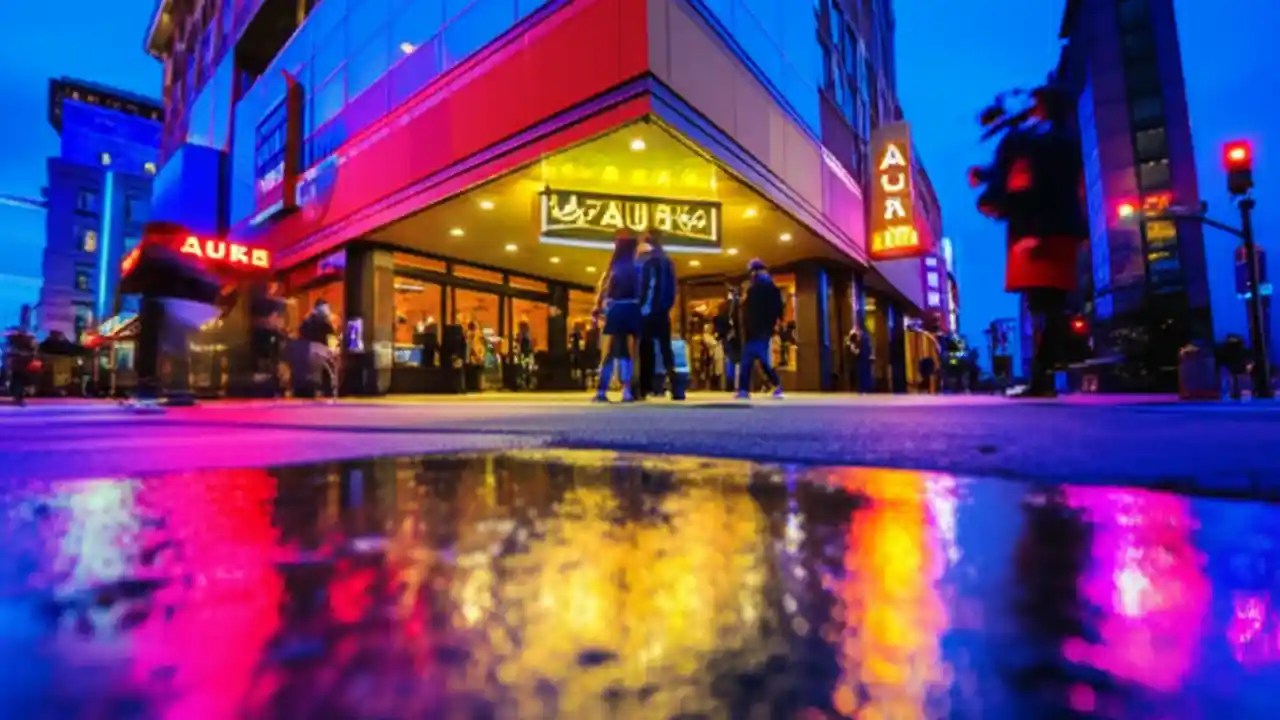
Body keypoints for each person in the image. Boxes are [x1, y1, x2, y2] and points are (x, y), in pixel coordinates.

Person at [976, 85, 1087, 398]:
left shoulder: (1037, 141)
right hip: (1060, 228)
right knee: (1051, 303)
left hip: (1040, 230)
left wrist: (1030, 229)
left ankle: (1043, 378)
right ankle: (1045, 375)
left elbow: (1026, 184)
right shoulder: (1062, 140)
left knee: (1043, 305)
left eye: (1035, 102)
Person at [592, 231, 643, 402]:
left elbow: (604, 289)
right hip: (633, 308)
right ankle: (627, 389)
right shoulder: (637, 267)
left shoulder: (614, 267)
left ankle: (602, 389)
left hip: (616, 308)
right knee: (628, 351)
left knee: (610, 351)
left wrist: (598, 308)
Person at [638, 230, 678, 400]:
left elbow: (645, 287)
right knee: (665, 348)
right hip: (662, 311)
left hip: (648, 310)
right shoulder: (668, 262)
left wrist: (642, 307)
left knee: (646, 348)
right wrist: (666, 306)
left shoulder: (646, 261)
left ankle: (645, 387)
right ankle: (676, 386)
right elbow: (672, 289)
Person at [737, 259, 785, 400]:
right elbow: (778, 308)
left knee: (749, 358)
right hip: (764, 329)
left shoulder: (754, 289)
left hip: (755, 329)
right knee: (759, 357)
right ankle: (775, 384)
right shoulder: (772, 288)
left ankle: (744, 389)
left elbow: (750, 311)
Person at [299, 299, 338, 400]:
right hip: (322, 353)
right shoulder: (325, 323)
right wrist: (333, 350)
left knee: (308, 379)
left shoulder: (306, 322)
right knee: (326, 377)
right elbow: (331, 339)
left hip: (306, 353)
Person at [714, 288, 742, 392]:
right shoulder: (736, 307)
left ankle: (730, 383)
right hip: (735, 338)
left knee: (730, 361)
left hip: (729, 338)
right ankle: (735, 383)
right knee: (735, 361)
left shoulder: (726, 310)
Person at [845, 328, 863, 393]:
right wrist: (859, 351)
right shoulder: (851, 345)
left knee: (851, 378)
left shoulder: (848, 344)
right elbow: (855, 352)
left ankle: (851, 389)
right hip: (852, 364)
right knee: (853, 378)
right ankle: (854, 390)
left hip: (849, 364)